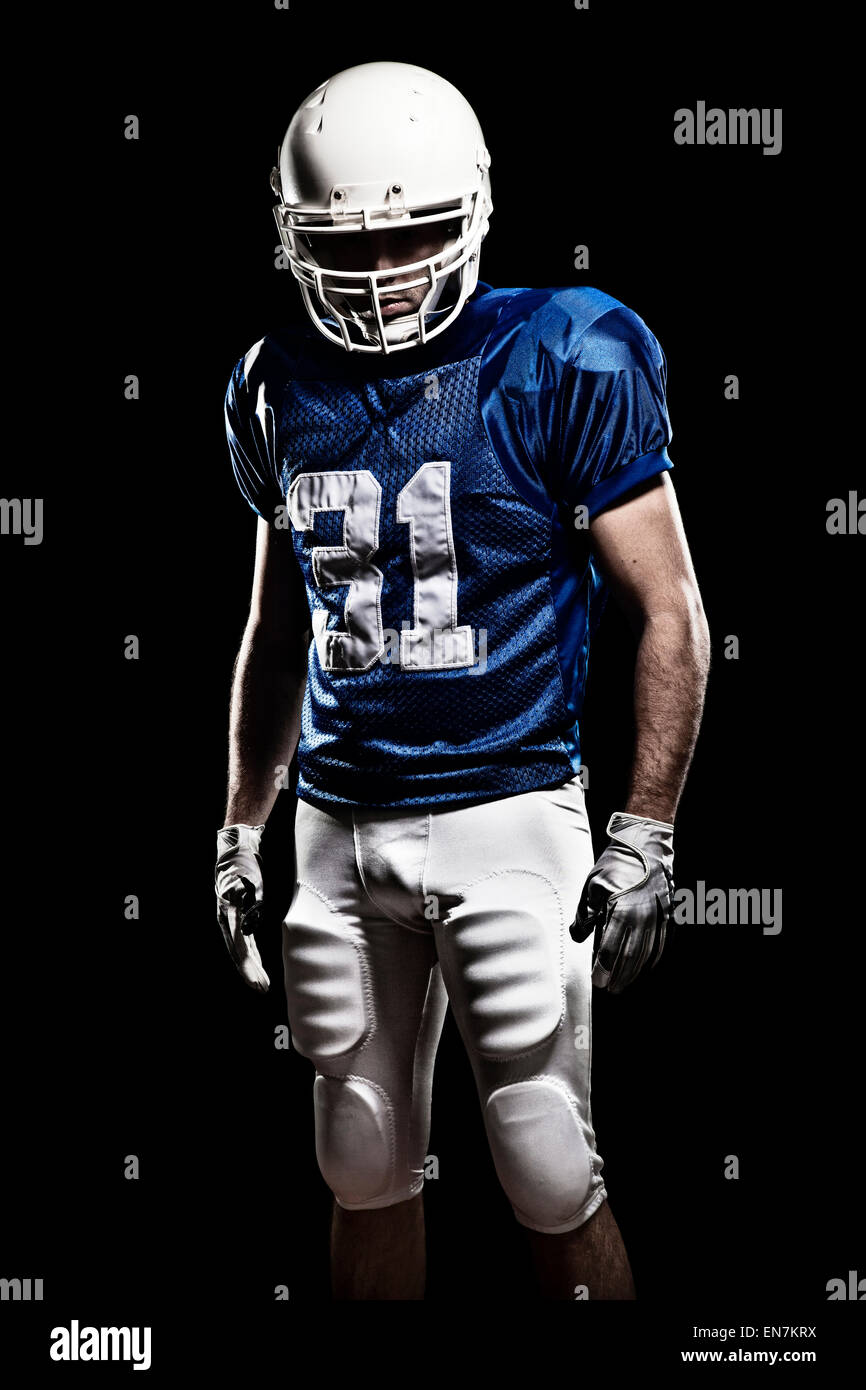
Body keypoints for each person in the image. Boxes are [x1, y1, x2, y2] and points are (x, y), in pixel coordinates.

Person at [215, 60, 710, 1300]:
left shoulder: (563, 349)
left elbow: (672, 611)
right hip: (335, 821)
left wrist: (645, 830)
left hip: (507, 807)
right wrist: (238, 824)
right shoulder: (274, 382)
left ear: (477, 211)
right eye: (350, 240)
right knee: (359, 1153)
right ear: (292, 238)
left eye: (414, 231)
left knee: (545, 1158)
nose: (382, 271)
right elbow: (277, 630)